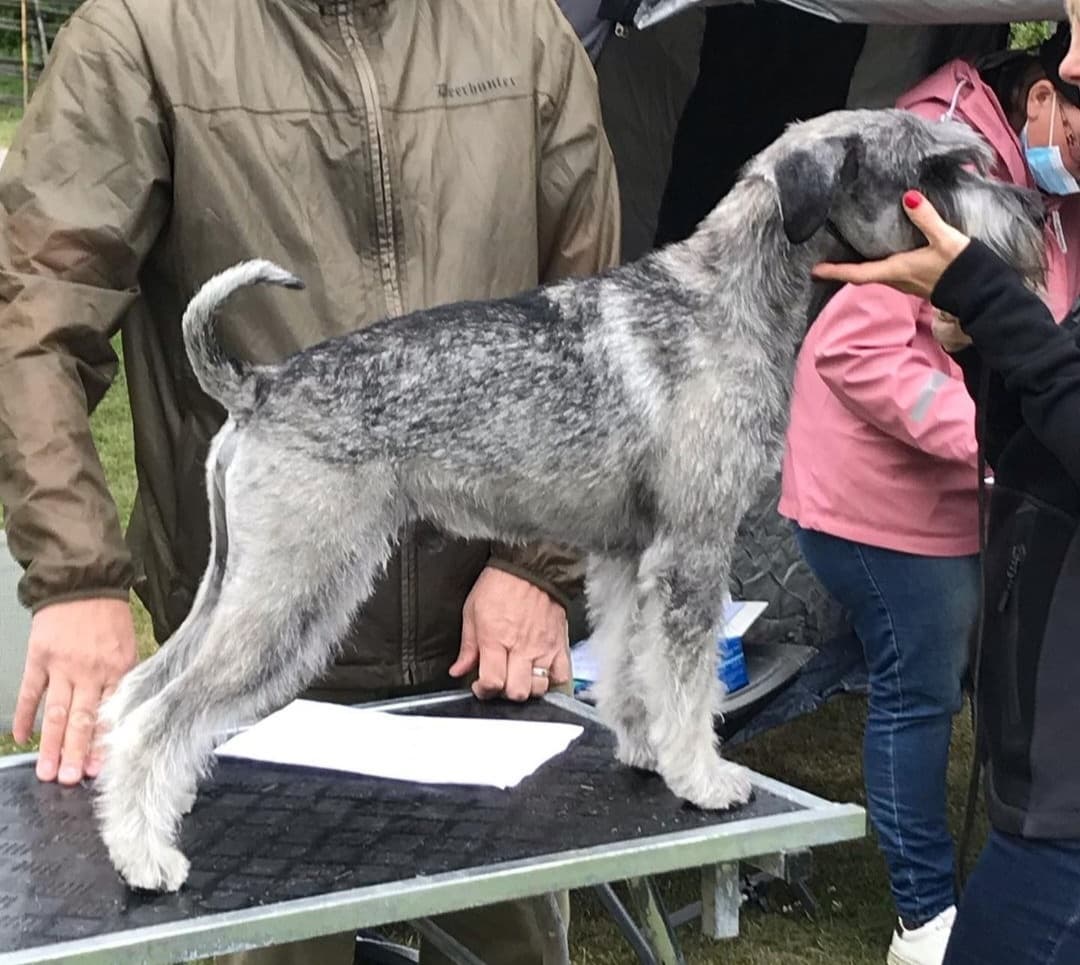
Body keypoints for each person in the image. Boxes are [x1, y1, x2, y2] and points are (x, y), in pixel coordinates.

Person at [0, 1, 620, 963]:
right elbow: (34, 317)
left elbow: (592, 323)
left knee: (510, 947)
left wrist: (538, 564)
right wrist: (79, 578)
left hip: (483, 671)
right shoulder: (139, 33)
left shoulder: (523, 29)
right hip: (258, 672)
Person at [778, 25, 1080, 965]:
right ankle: (923, 913)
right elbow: (851, 348)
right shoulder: (938, 171)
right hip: (880, 511)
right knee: (918, 694)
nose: (1073, 61)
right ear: (1039, 98)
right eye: (1070, 47)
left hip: (966, 505)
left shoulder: (1054, 195)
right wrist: (988, 442)